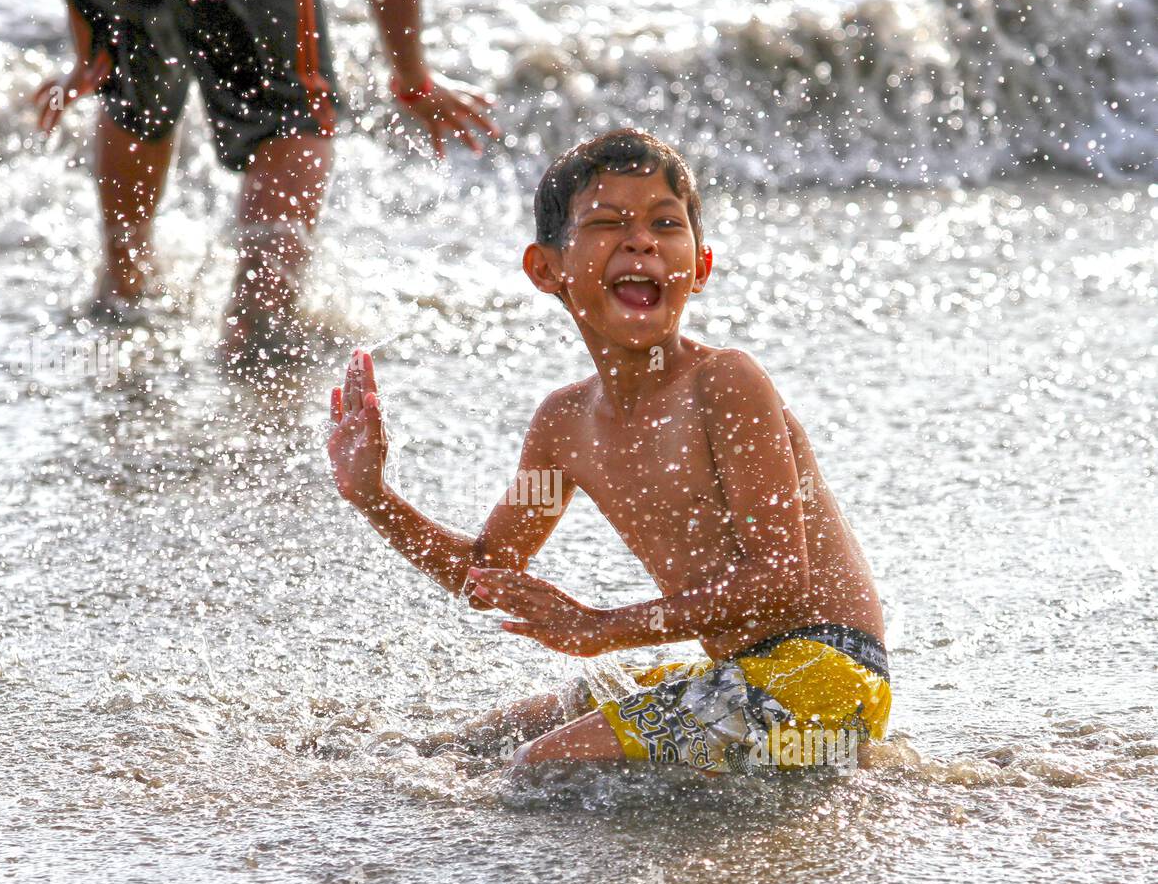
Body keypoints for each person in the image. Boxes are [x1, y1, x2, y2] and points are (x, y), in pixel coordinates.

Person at [326, 128, 891, 776]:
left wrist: (601, 628)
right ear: (547, 269)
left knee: (542, 767)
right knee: (478, 743)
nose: (641, 240)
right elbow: (487, 572)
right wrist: (372, 497)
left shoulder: (725, 386)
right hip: (738, 673)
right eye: (606, 222)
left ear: (699, 266)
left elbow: (780, 580)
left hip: (831, 680)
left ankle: (839, 759)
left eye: (664, 223)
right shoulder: (564, 431)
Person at [33, 0, 497, 366]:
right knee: (292, 111)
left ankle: (121, 296)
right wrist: (413, 79)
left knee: (131, 86)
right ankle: (257, 328)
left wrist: (86, 50)